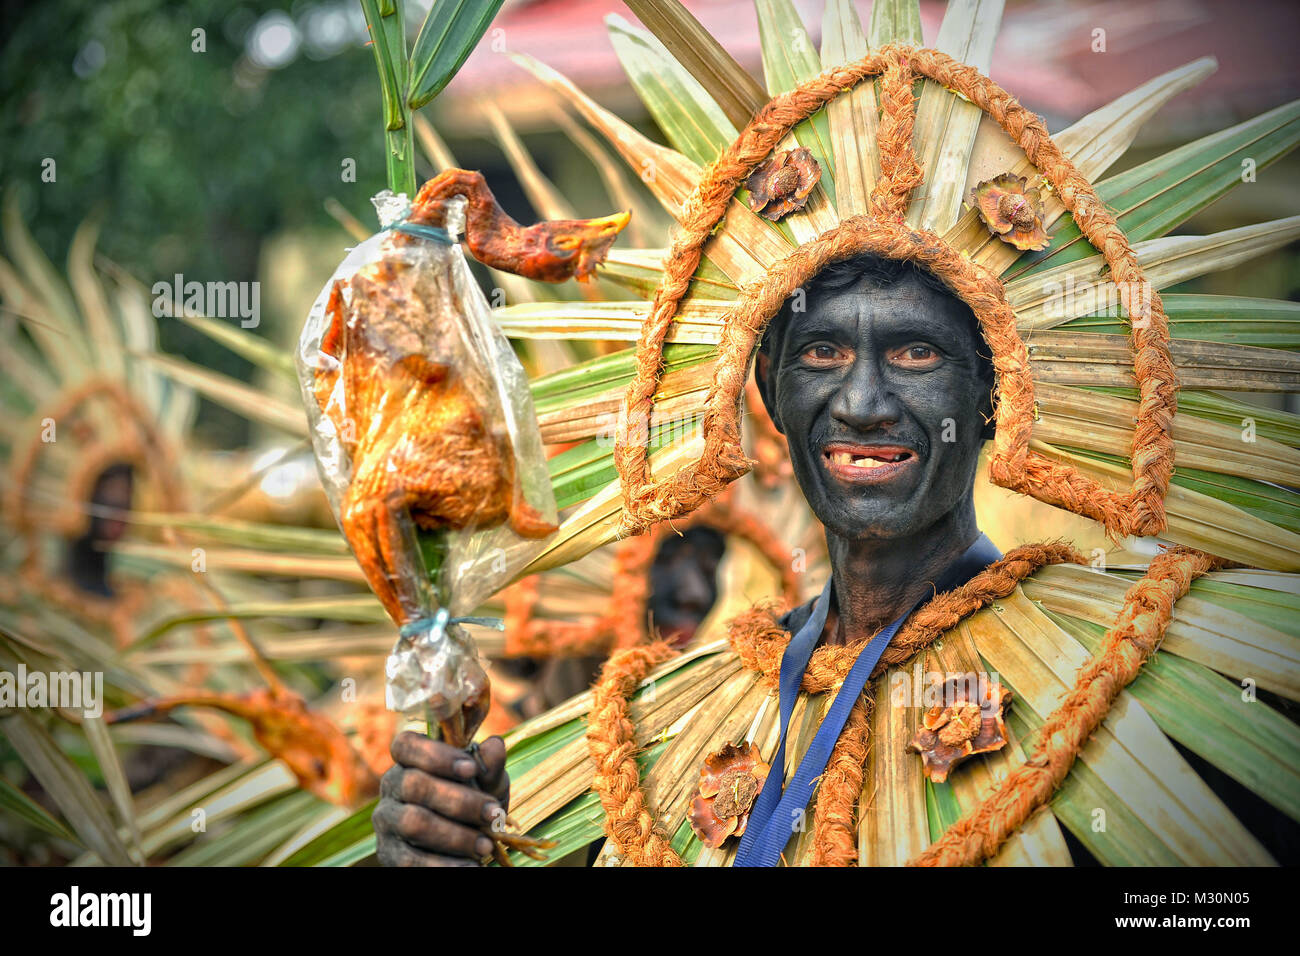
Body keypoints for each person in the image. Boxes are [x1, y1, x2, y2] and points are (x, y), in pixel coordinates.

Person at [373, 253, 1003, 866]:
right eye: (821, 352)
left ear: (996, 392)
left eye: (917, 352)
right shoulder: (661, 725)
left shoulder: (1079, 673)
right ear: (770, 389)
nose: (862, 405)